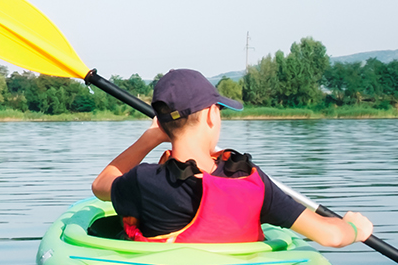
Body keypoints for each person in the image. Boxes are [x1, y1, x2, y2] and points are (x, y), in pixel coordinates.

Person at [91, 69, 374, 247]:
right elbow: (330, 236)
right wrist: (353, 227)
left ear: (163, 125)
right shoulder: (250, 180)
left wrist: (150, 138)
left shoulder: (144, 182)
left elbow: (101, 185)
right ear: (212, 115)